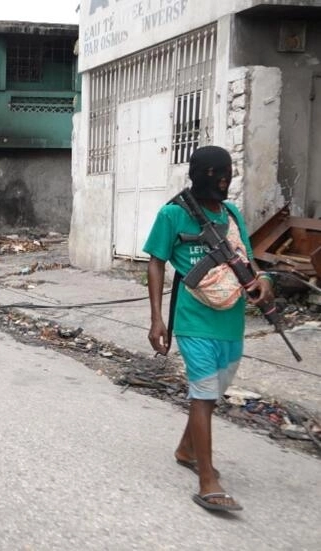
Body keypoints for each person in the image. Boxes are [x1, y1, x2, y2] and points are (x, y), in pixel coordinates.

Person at [144, 145, 274, 513]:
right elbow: (155, 263)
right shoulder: (172, 214)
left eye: (226, 176)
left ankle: (187, 449)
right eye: (216, 176)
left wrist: (263, 280)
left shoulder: (232, 214)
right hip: (193, 321)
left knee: (213, 393)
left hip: (231, 322)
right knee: (202, 394)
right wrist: (157, 319)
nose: (222, 183)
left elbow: (246, 257)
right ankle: (207, 480)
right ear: (200, 176)